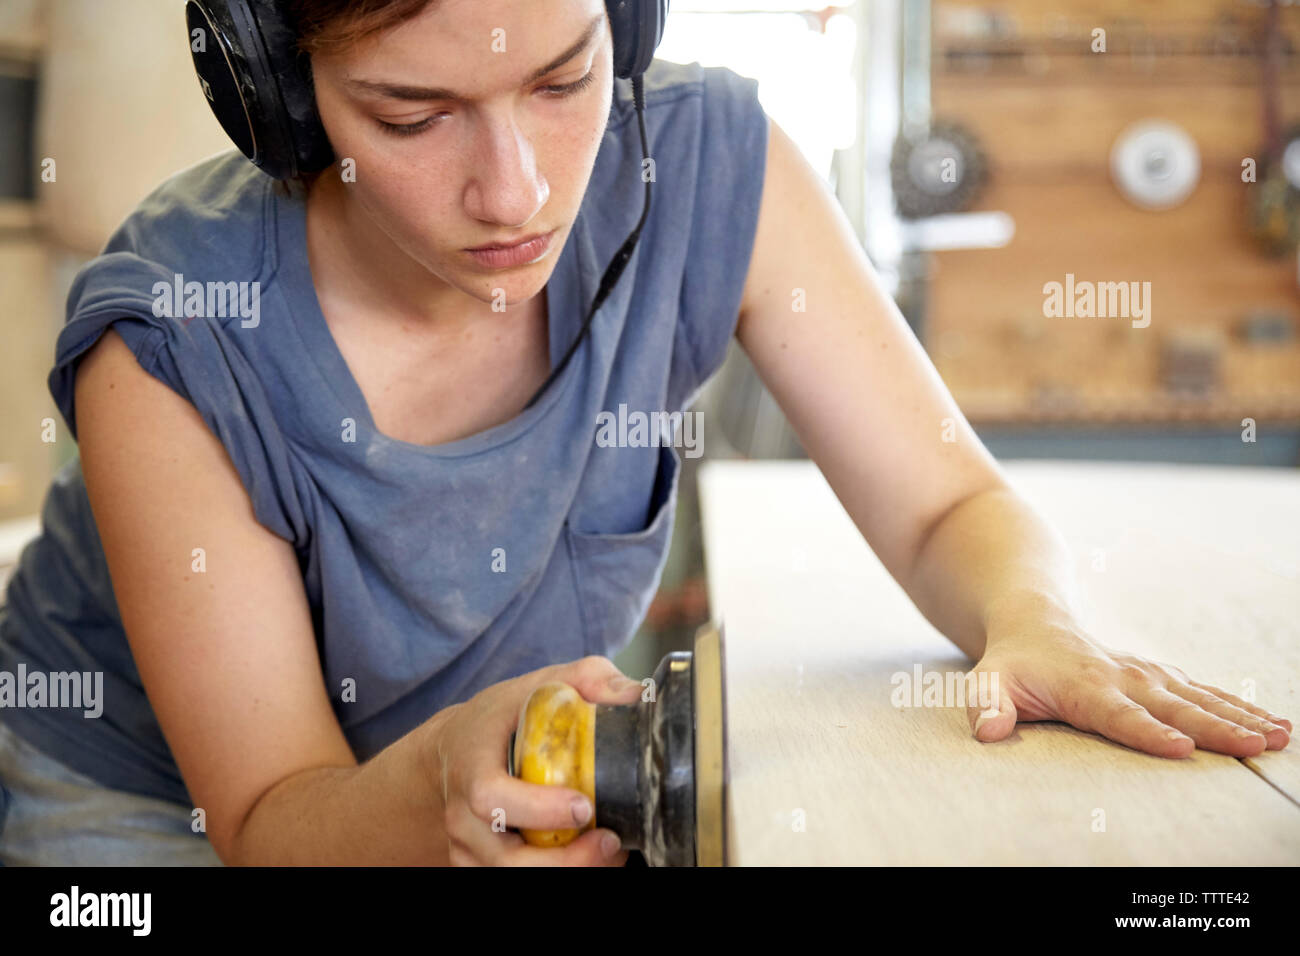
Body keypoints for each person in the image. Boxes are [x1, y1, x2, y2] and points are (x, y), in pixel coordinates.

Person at [0, 0, 1290, 867]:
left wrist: (1032, 616)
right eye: (411, 116)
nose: (518, 191)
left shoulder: (706, 161)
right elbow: (275, 815)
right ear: (284, 94)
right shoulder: (173, 334)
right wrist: (429, 788)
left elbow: (946, 508)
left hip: (478, 793)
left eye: (565, 80)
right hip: (162, 814)